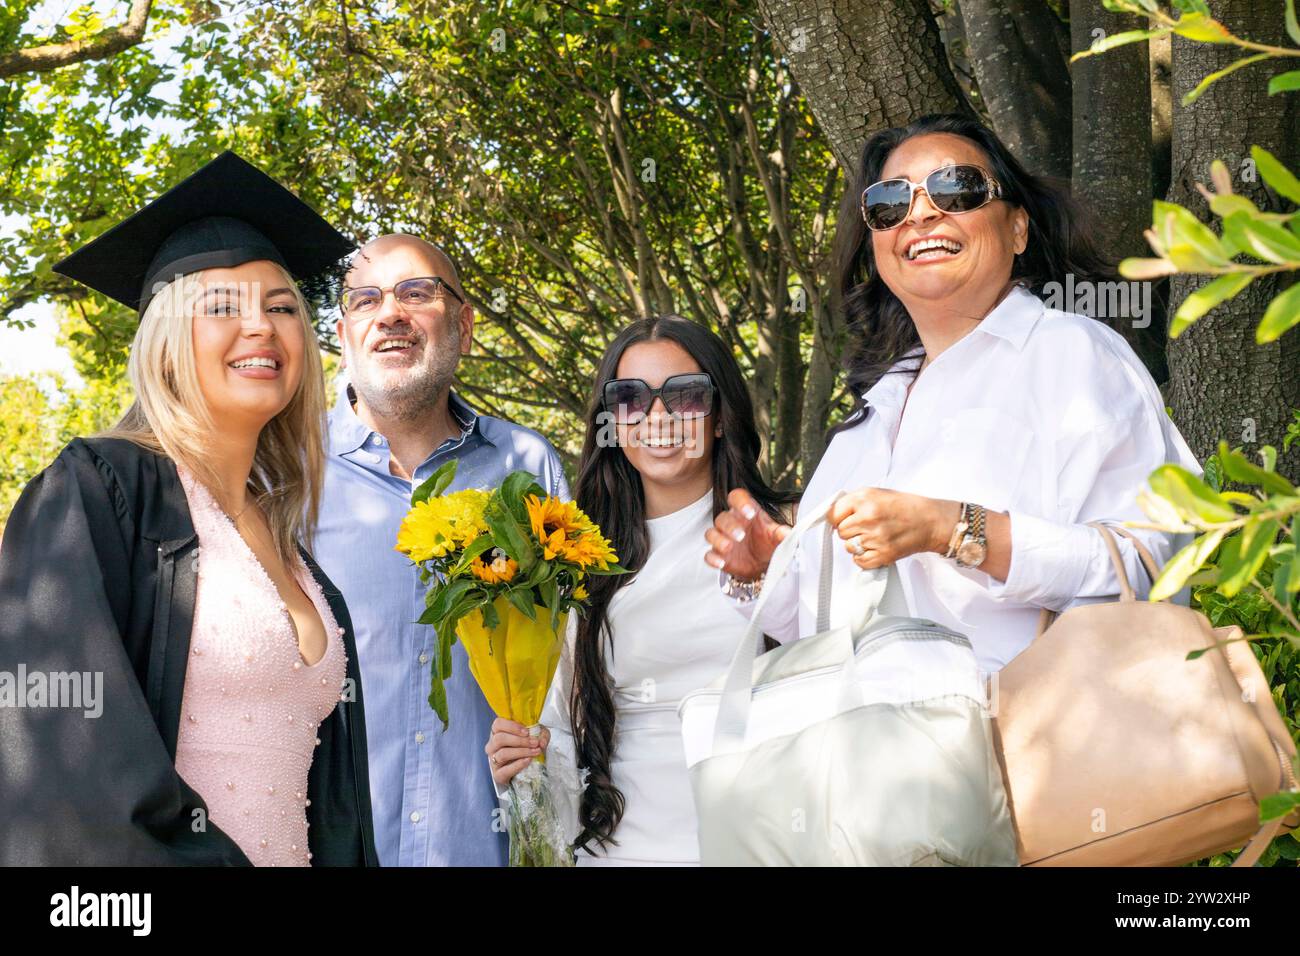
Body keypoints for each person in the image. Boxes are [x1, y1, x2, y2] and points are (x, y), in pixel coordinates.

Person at [706, 113, 1202, 675]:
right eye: (890, 203)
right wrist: (770, 570)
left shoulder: (1073, 353)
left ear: (1018, 229)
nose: (920, 213)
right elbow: (827, 634)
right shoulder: (874, 412)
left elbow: (1151, 566)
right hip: (892, 747)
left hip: (1025, 743)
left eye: (956, 188)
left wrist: (953, 529)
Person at [0, 151, 377, 865]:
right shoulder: (96, 491)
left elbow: (334, 812)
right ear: (167, 345)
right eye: (223, 307)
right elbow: (67, 757)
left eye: (282, 306)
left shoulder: (293, 550)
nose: (261, 327)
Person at [485, 316, 795, 865]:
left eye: (686, 396)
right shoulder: (576, 560)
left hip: (768, 845)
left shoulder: (784, 532)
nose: (657, 417)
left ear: (721, 417)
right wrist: (524, 761)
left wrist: (772, 580)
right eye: (630, 398)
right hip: (619, 850)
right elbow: (560, 739)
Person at [312, 234, 569, 867]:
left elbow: (574, 666)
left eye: (416, 292)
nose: (390, 313)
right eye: (365, 298)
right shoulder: (288, 476)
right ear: (345, 334)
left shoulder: (527, 466)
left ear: (465, 325)